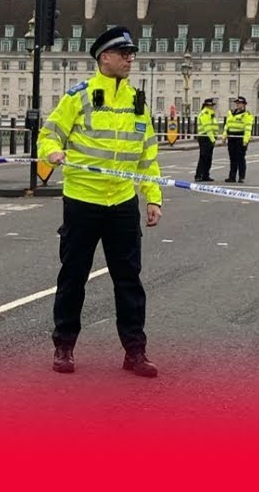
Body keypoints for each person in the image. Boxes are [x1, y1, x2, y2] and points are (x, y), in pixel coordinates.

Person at [38, 25, 162, 378]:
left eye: (131, 54)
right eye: (123, 54)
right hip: (83, 199)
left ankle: (135, 351)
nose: (130, 59)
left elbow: (147, 157)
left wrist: (153, 198)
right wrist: (53, 152)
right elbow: (49, 135)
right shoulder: (78, 96)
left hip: (122, 202)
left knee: (129, 280)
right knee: (73, 276)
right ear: (103, 57)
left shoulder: (137, 101)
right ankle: (64, 345)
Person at [221, 95, 254, 184]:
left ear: (244, 104)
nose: (237, 105)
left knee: (240, 158)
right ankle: (232, 177)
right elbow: (227, 126)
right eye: (236, 103)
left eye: (239, 103)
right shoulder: (231, 113)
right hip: (231, 138)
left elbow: (248, 129)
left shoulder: (247, 115)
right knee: (232, 158)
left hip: (240, 138)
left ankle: (241, 177)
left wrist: (245, 140)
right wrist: (224, 136)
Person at [195, 98, 218, 182]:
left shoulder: (211, 113)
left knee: (208, 157)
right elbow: (207, 127)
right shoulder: (205, 113)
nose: (212, 107)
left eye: (212, 105)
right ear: (207, 106)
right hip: (205, 137)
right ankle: (199, 175)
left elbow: (213, 126)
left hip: (209, 137)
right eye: (210, 105)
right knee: (203, 157)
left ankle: (205, 175)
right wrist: (212, 138)